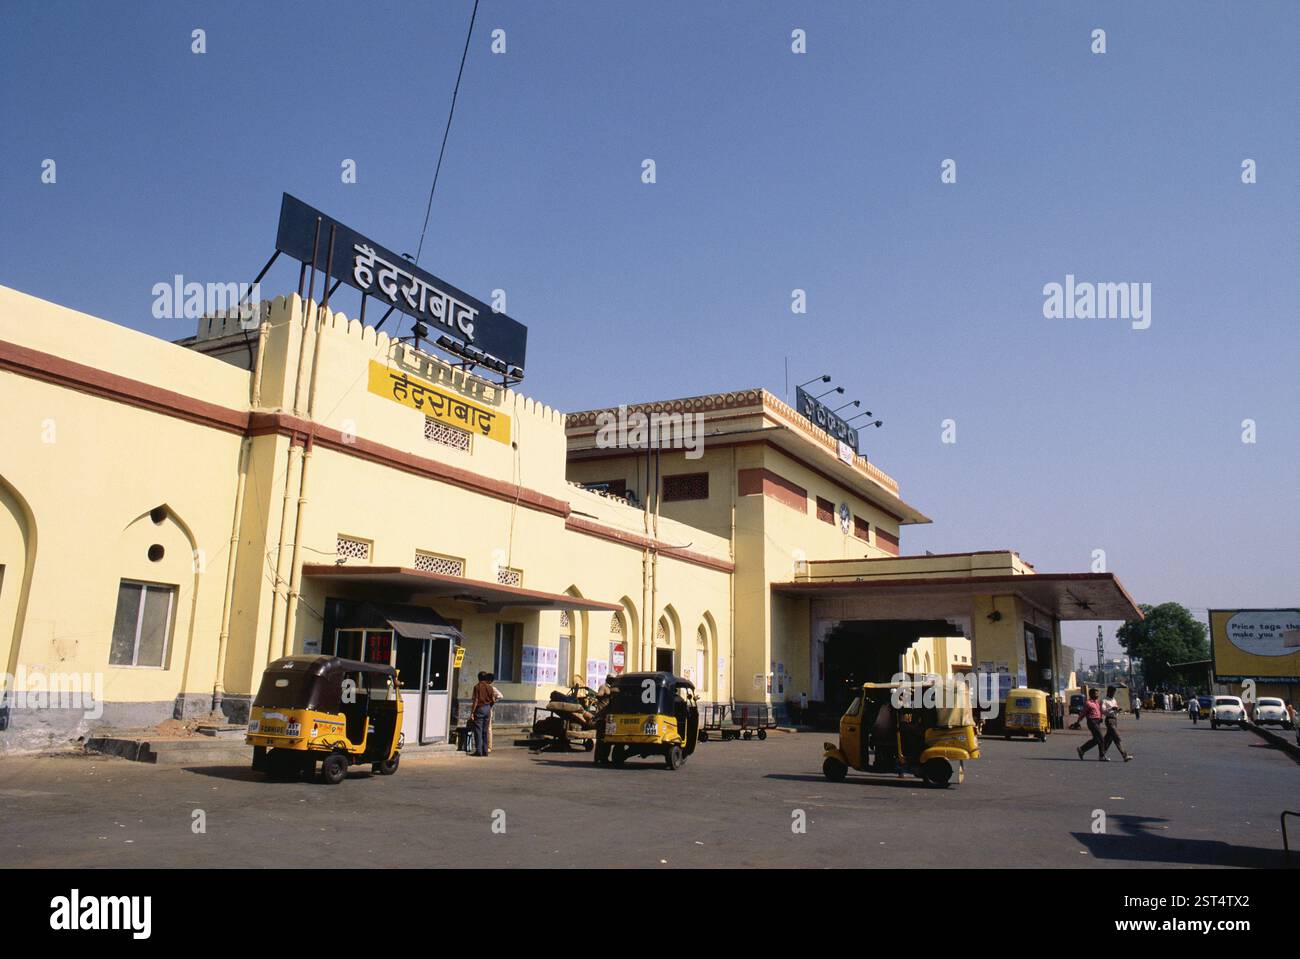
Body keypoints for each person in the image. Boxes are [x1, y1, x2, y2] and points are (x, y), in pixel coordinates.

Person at [1101, 685, 1133, 761]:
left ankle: (1101, 755)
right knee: (1117, 737)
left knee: (1108, 739)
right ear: (1108, 691)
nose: (1113, 693)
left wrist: (1117, 710)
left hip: (1115, 719)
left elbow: (1116, 709)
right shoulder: (1104, 700)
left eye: (1114, 692)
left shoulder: (1114, 700)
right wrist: (1111, 708)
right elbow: (1103, 711)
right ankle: (1124, 755)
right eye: (1112, 692)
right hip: (1109, 720)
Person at [1076, 688, 1110, 761]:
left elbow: (1099, 712)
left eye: (1097, 693)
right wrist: (1078, 721)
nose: (1097, 695)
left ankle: (1082, 749)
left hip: (1097, 722)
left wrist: (1100, 718)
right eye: (1095, 693)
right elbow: (1083, 713)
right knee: (1101, 738)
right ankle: (1102, 756)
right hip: (1092, 722)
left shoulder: (1097, 703)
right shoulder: (1088, 703)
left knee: (1096, 740)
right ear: (1091, 694)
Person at [470, 671, 495, 757]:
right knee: (485, 731)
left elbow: (476, 700)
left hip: (480, 709)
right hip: (487, 708)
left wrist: (472, 712)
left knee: (478, 730)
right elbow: (493, 700)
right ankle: (485, 751)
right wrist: (489, 706)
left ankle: (479, 751)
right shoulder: (490, 687)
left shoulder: (477, 687)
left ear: (478, 678)